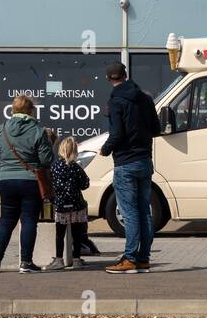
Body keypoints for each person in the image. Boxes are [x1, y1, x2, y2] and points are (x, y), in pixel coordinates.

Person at [101, 62, 161, 274]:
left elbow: (116, 133)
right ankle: (143, 257)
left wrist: (106, 149)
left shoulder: (116, 101)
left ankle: (129, 258)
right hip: (145, 161)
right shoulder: (145, 99)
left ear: (110, 79)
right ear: (126, 75)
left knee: (129, 212)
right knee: (144, 210)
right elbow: (157, 128)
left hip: (125, 163)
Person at [0, 95, 54, 273]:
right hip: (30, 181)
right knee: (29, 221)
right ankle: (26, 262)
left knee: (6, 220)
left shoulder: (1, 129)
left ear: (12, 110)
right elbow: (46, 159)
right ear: (31, 110)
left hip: (6, 180)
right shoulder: (38, 131)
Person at [46, 136, 91, 270]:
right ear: (74, 151)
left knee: (60, 234)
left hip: (61, 206)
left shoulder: (54, 167)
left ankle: (59, 259)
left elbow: (50, 184)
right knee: (77, 234)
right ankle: (76, 259)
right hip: (77, 205)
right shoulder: (76, 167)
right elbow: (85, 184)